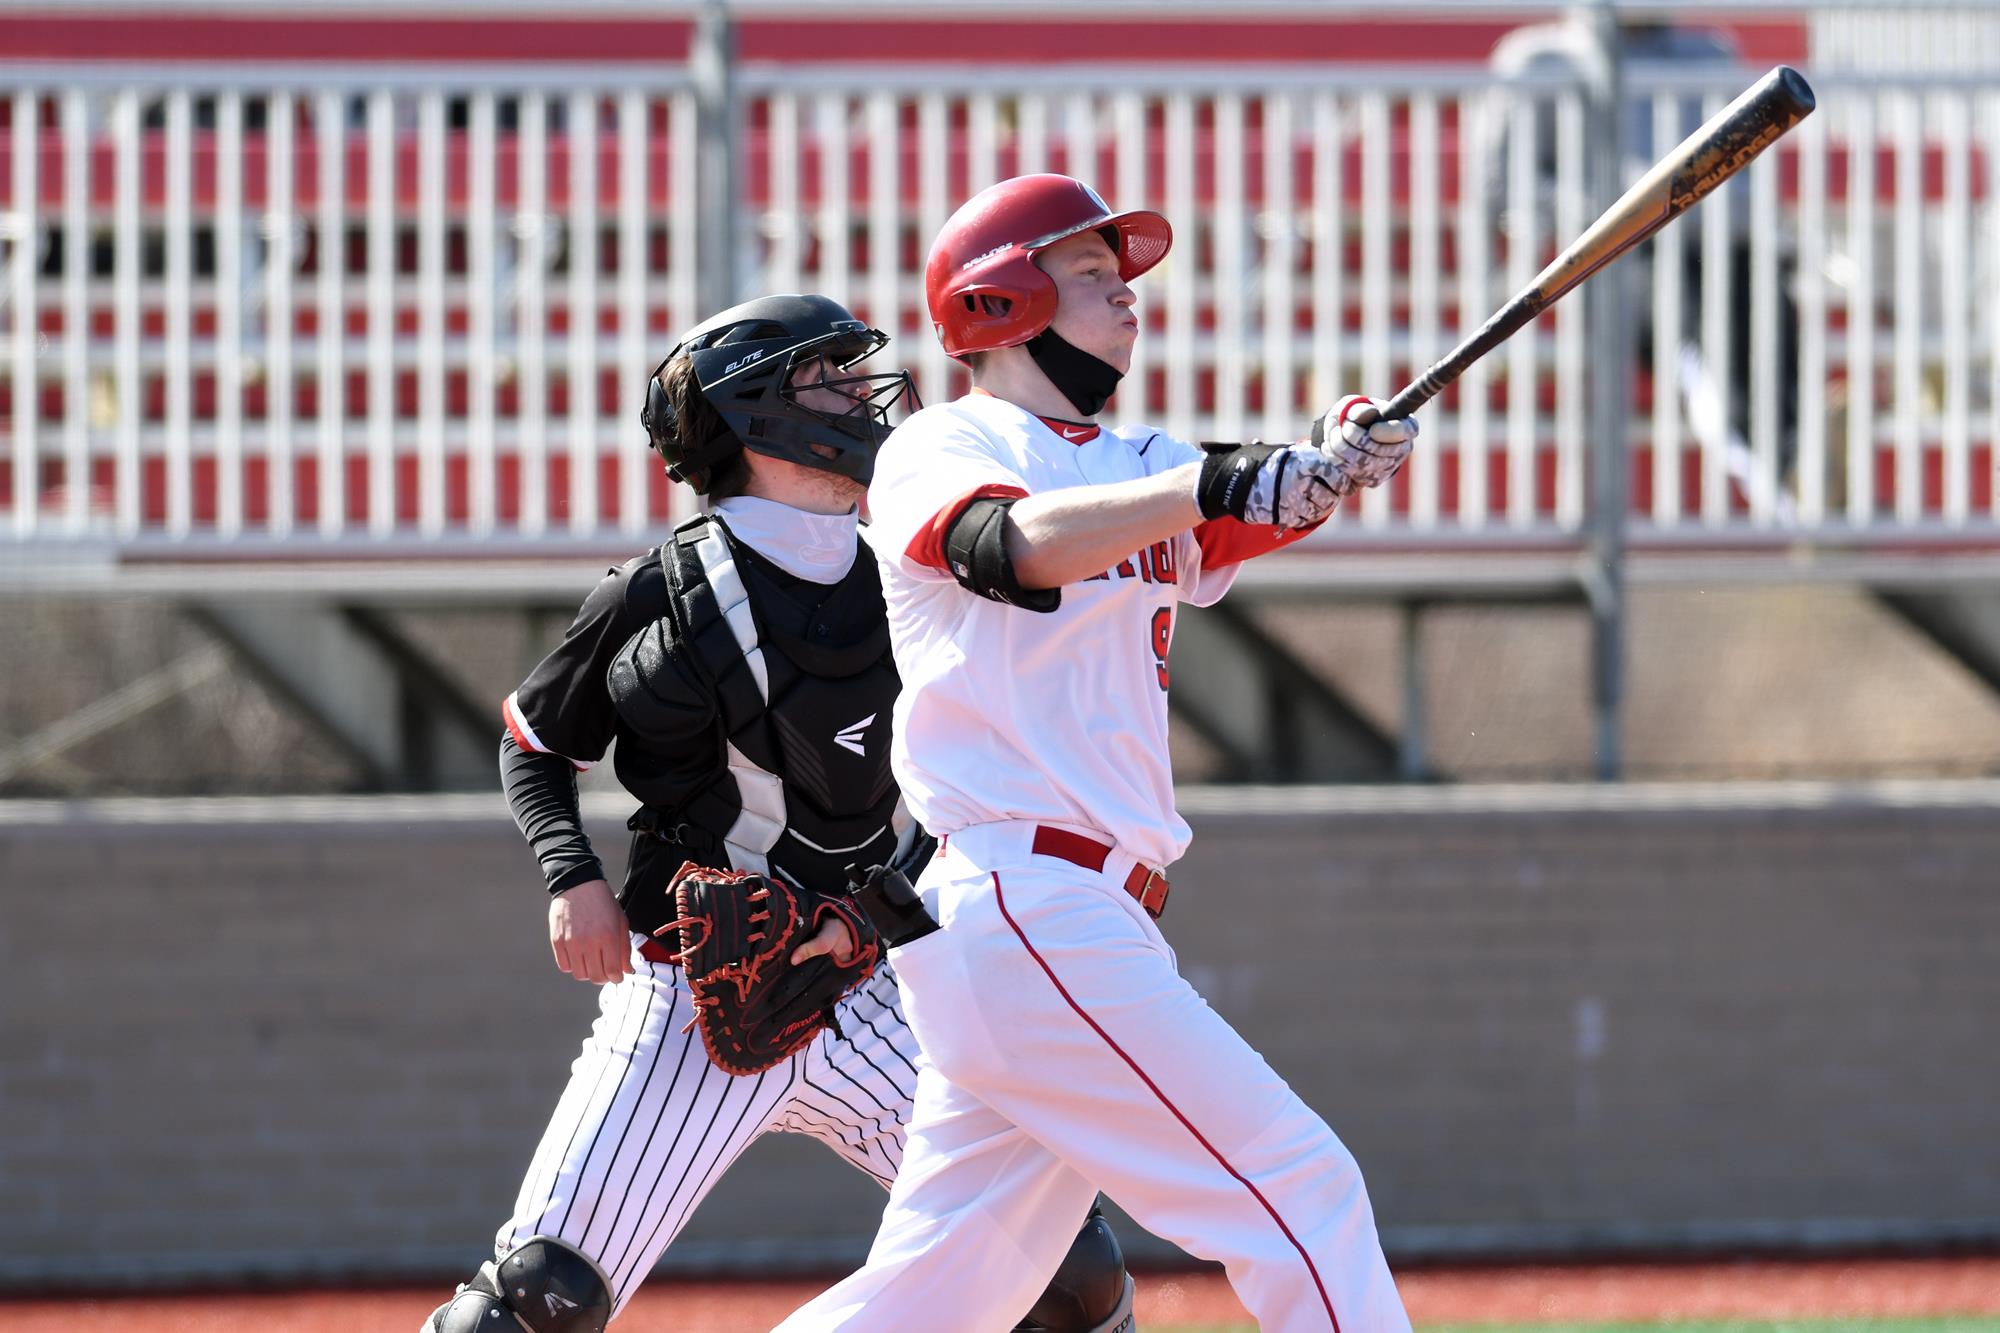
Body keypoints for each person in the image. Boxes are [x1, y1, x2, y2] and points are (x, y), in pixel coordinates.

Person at [774, 175, 1419, 1333]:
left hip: (1065, 918)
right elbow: (1005, 545)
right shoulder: (942, 439)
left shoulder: (1136, 457)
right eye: (1086, 272)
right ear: (998, 301)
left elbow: (1229, 506)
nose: (1123, 292)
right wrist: (1216, 479)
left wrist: (1328, 463)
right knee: (1301, 1191)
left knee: (929, 1299)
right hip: (1025, 896)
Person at [424, 293, 1135, 1332]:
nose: (862, 393)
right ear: (755, 408)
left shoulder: (910, 562)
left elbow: (969, 767)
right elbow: (535, 742)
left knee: (1065, 1270)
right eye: (830, 374)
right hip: (689, 995)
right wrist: (570, 880)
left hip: (864, 986)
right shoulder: (656, 591)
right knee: (540, 1299)